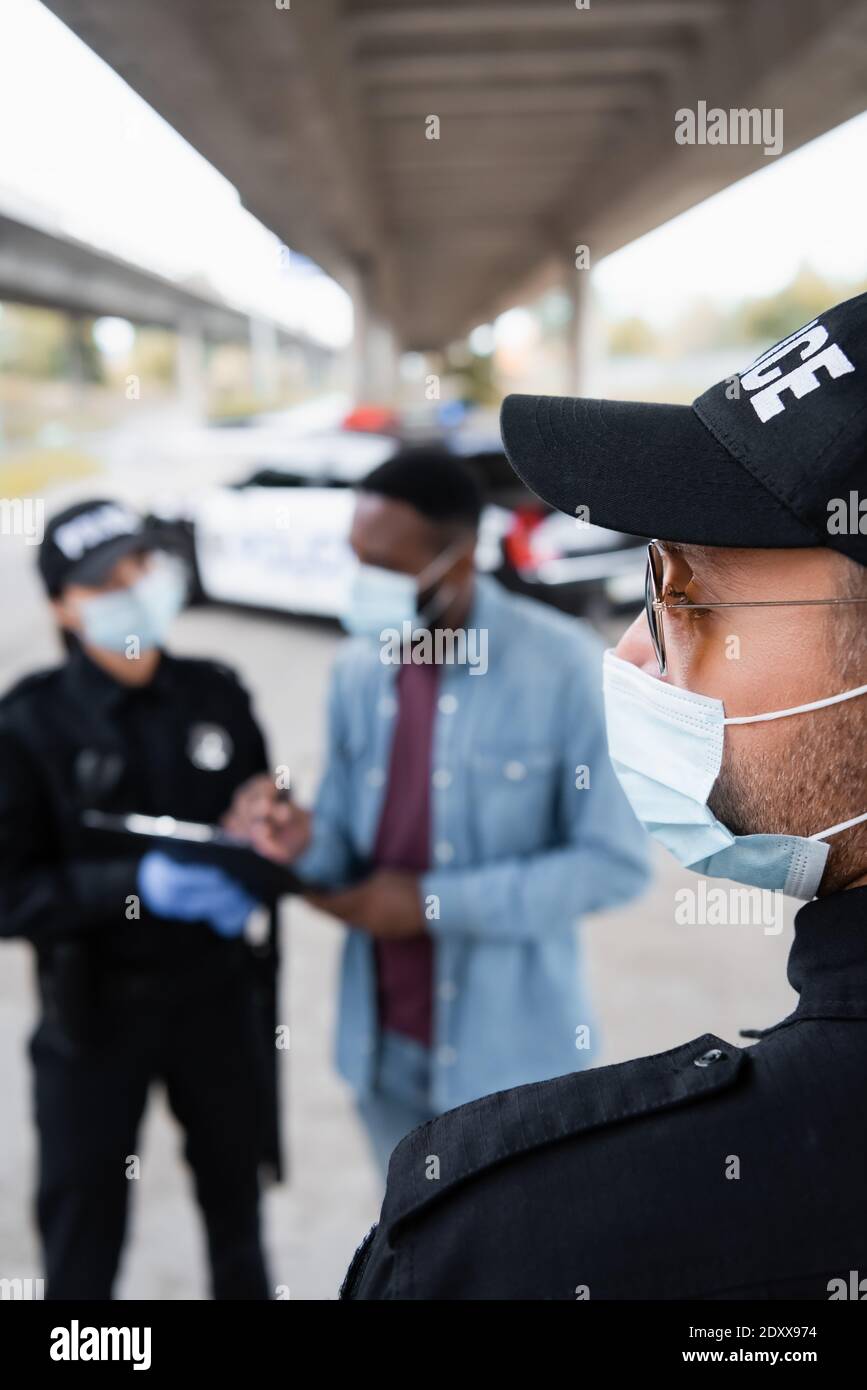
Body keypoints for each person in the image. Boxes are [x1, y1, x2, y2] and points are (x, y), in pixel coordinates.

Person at [340, 291, 867, 1299]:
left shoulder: (515, 1246)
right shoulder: (358, 670)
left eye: (690, 597)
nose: (632, 650)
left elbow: (602, 861)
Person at [225, 448, 650, 1176]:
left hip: (509, 1066)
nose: (361, 585)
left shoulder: (563, 668)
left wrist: (428, 905)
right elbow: (344, 847)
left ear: (458, 558)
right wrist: (298, 839)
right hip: (381, 1053)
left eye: (384, 566)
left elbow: (612, 866)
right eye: (355, 559)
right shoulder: (359, 667)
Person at [0, 499, 277, 1300]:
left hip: (219, 1001)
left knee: (237, 1210)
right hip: (90, 1018)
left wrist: (265, 844)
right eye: (104, 581)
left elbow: (263, 816)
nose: (134, 589)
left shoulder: (216, 694)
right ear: (61, 607)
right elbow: (8, 893)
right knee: (82, 1231)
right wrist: (133, 887)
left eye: (140, 568)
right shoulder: (27, 725)